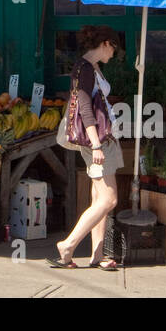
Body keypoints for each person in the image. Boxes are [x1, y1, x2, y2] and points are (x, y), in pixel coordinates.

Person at [46, 26, 128, 270]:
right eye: (114, 48)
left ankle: (98, 254)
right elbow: (84, 108)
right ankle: (68, 245)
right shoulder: (84, 69)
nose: (114, 54)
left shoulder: (90, 67)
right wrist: (95, 145)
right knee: (109, 199)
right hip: (98, 142)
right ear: (105, 43)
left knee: (98, 196)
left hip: (102, 140)